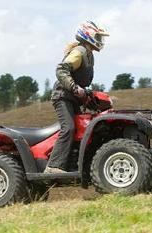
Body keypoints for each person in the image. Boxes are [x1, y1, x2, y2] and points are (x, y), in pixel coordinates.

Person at [44, 21, 109, 173]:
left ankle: (72, 164)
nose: (100, 41)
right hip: (63, 96)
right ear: (88, 35)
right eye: (98, 37)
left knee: (82, 128)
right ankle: (53, 167)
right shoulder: (79, 52)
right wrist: (74, 87)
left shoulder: (89, 55)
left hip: (73, 98)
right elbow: (61, 69)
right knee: (69, 127)